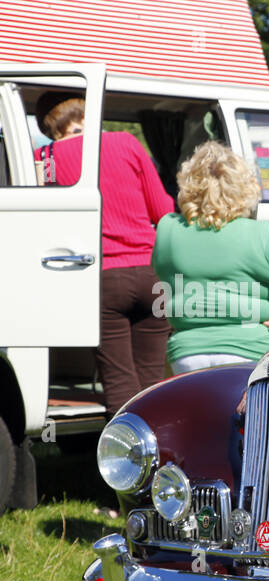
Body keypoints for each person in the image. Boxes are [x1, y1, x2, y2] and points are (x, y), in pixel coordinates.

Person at [33, 93, 174, 419]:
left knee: (120, 384)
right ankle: (160, 448)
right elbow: (163, 210)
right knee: (153, 382)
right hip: (151, 274)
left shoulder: (44, 158)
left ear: (48, 127)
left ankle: (123, 448)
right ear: (87, 114)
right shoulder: (126, 142)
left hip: (101, 280)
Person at [152, 142, 269, 372]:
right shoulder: (263, 234)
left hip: (186, 353)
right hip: (253, 351)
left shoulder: (168, 228)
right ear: (244, 187)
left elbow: (163, 276)